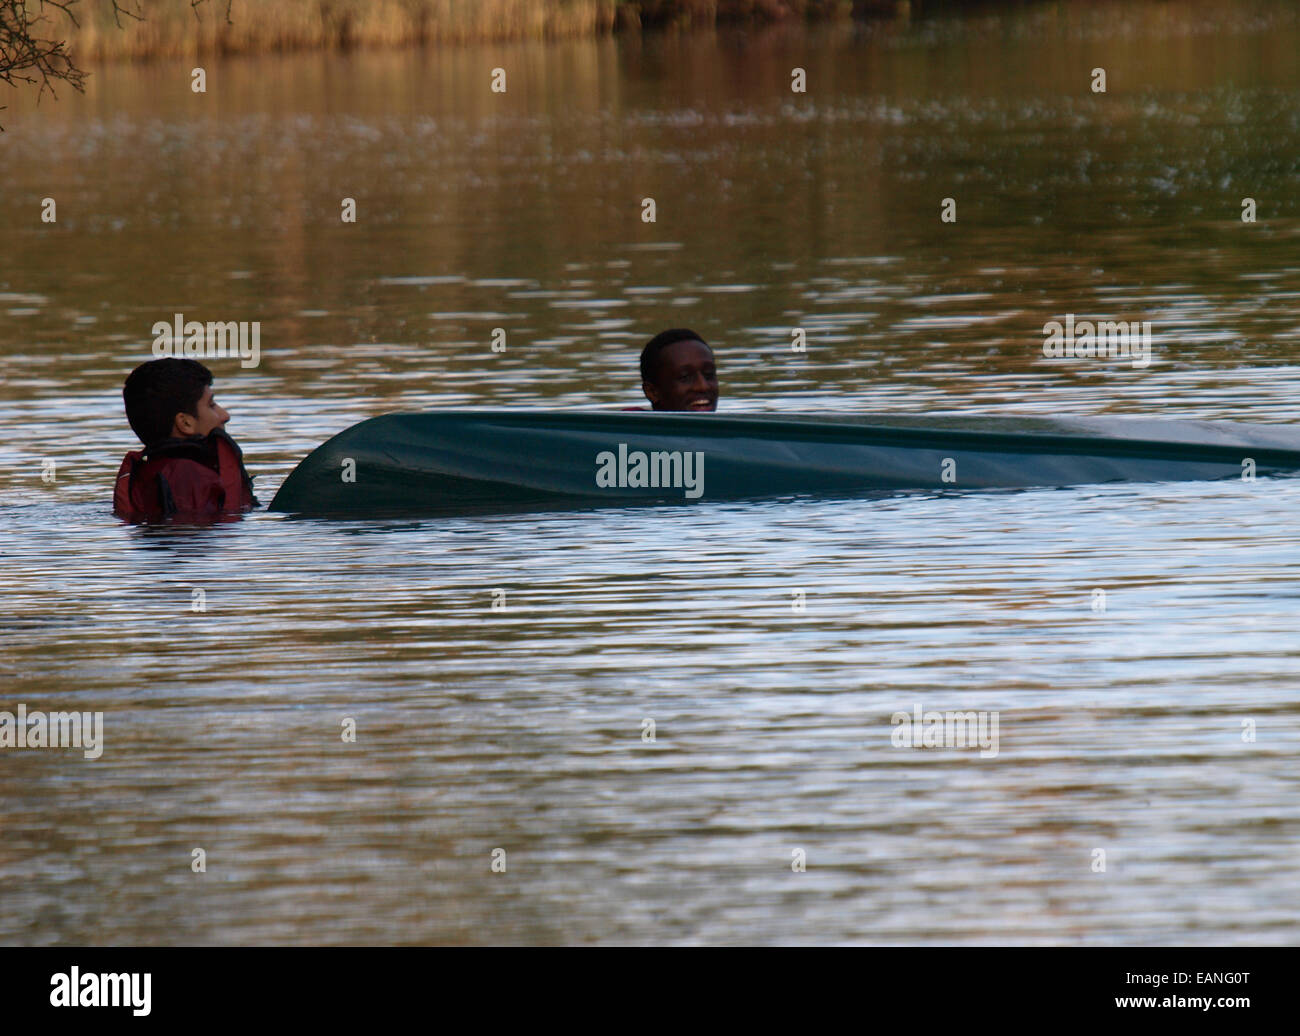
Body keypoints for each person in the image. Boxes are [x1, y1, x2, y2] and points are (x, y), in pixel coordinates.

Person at [113, 358, 258, 522]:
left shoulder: (155, 471)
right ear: (185, 423)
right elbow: (191, 536)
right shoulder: (188, 476)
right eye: (211, 405)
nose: (225, 415)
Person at [636, 328, 718, 411]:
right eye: (685, 377)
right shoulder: (628, 423)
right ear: (652, 392)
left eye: (709, 375)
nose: (703, 386)